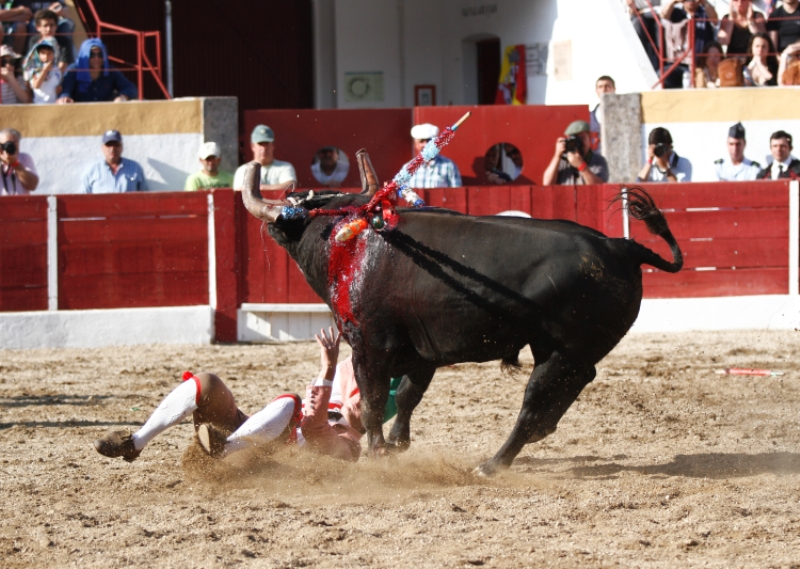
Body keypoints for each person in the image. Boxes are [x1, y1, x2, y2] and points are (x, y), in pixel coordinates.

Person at [93, 328, 399, 465]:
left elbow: (312, 428)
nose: (361, 399)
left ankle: (223, 450)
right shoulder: (341, 398)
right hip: (248, 436)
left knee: (291, 401)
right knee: (207, 383)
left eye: (370, 403)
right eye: (363, 394)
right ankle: (136, 442)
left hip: (259, 462)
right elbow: (367, 357)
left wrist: (327, 367)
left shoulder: (349, 448)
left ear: (372, 421)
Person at [57, 38, 137, 103]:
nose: (96, 58)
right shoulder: (74, 69)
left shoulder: (111, 71)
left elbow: (131, 88)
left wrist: (123, 97)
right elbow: (65, 90)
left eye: (100, 55)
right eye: (92, 55)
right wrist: (65, 97)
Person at [661, 0, 719, 88]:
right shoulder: (676, 13)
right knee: (664, 75)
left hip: (701, 64)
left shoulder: (704, 13)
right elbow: (663, 16)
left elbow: (715, 20)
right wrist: (674, 1)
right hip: (680, 63)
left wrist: (704, 2)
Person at [542, 120, 609, 186]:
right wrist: (557, 155)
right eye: (574, 139)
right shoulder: (562, 161)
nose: (578, 143)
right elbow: (547, 184)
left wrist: (581, 165)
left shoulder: (598, 161)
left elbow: (599, 188)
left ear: (589, 138)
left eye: (582, 138)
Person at [233, 124, 297, 191]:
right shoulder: (243, 170)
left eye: (267, 143)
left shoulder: (285, 167)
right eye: (260, 144)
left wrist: (261, 188)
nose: (264, 148)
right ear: (253, 146)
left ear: (273, 145)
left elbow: (290, 185)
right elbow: (240, 191)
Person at [82, 130, 148, 194]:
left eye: (116, 144)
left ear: (121, 147)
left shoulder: (135, 168)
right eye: (109, 145)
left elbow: (145, 196)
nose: (112, 149)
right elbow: (83, 197)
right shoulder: (92, 170)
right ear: (102, 147)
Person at [404, 123, 462, 188]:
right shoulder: (408, 168)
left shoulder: (449, 166)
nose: (425, 145)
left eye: (429, 140)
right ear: (416, 144)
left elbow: (457, 192)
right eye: (421, 141)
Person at [25, 8, 74, 73]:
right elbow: (31, 62)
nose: (49, 29)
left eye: (51, 25)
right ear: (38, 28)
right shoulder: (34, 40)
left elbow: (62, 66)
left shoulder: (64, 41)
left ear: (56, 26)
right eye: (45, 26)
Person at [0, 128, 38, 195]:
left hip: (21, 201)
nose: (10, 147)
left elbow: (32, 185)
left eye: (13, 143)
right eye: (7, 144)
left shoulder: (24, 158)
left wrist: (15, 163)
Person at [23, 39, 61, 103]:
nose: (46, 56)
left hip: (54, 105)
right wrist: (45, 70)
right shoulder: (34, 70)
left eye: (49, 53)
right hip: (39, 105)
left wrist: (59, 88)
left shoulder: (57, 70)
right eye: (43, 53)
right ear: (38, 54)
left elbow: (58, 86)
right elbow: (36, 86)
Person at [590, 75, 615, 154]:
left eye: (607, 86)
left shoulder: (622, 115)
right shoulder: (589, 117)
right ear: (596, 91)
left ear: (614, 89)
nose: (604, 89)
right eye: (600, 87)